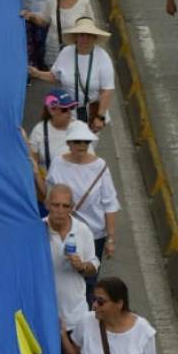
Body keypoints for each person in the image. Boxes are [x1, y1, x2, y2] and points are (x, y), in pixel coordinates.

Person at [44, 183, 97, 354]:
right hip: (45, 319)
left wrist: (82, 266)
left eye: (65, 206)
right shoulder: (37, 230)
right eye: (55, 205)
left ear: (72, 207)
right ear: (47, 205)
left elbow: (94, 265)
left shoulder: (82, 231)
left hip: (76, 317)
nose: (60, 210)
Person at [44, 124, 119, 292]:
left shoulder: (100, 166)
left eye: (86, 142)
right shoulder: (58, 163)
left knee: (88, 279)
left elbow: (110, 203)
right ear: (69, 143)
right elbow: (49, 194)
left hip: (93, 234)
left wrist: (111, 239)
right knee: (58, 276)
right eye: (77, 141)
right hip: (62, 230)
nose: (82, 145)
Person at [29, 17, 114, 132]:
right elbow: (56, 76)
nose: (85, 38)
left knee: (85, 143)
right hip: (67, 111)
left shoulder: (103, 57)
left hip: (91, 113)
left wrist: (100, 117)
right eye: (81, 35)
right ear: (76, 37)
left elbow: (107, 91)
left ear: (94, 37)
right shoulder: (66, 52)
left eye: (89, 35)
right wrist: (38, 74)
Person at [21, 0, 94, 67]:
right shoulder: (52, 0)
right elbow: (43, 21)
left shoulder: (84, 1)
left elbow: (90, 26)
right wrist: (30, 15)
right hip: (54, 50)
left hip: (76, 49)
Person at [28, 89, 93, 174]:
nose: (69, 112)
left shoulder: (80, 127)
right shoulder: (39, 131)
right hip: (49, 181)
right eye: (64, 109)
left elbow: (91, 160)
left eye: (71, 108)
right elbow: (33, 162)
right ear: (51, 110)